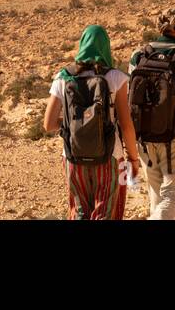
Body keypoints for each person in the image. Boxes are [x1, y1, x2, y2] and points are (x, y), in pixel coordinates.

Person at [44, 25, 141, 220]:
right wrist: (133, 160)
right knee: (106, 212)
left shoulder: (63, 76)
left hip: (73, 156)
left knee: (80, 212)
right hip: (111, 156)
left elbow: (48, 125)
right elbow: (126, 125)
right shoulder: (116, 77)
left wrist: (77, 123)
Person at [128, 7, 175, 220]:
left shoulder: (138, 56)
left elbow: (131, 91)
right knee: (171, 194)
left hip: (142, 135)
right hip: (171, 134)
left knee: (155, 189)